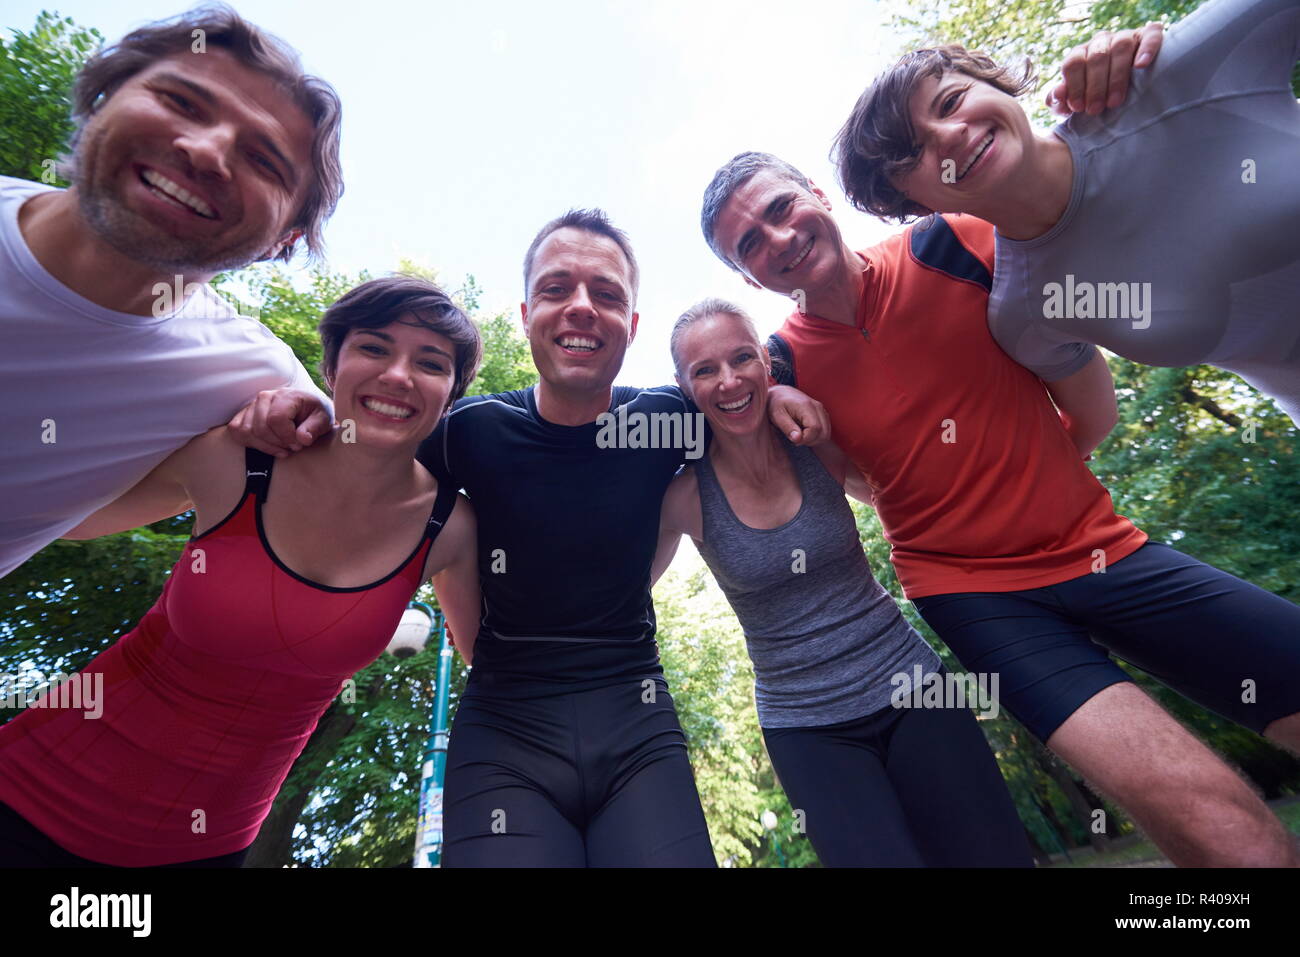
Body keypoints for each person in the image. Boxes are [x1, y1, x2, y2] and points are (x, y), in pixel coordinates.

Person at [700, 149, 1300, 867]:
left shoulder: (954, 242)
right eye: (750, 245)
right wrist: (773, 395)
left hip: (1108, 547)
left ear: (817, 194)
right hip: (981, 599)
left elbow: (1086, 391)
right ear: (746, 275)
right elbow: (854, 477)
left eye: (778, 209)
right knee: (1223, 826)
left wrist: (1032, 478)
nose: (778, 239)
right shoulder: (779, 366)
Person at [229, 209, 831, 867]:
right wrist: (306, 413)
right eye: (555, 289)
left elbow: (739, 396)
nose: (581, 307)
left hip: (637, 720)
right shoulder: (467, 431)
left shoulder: (666, 419)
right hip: (505, 733)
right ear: (525, 314)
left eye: (606, 293)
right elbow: (364, 460)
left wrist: (777, 399)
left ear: (630, 326)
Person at [0, 276, 481, 867]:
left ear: (452, 392)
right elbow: (67, 517)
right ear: (332, 367)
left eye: (430, 363)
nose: (399, 375)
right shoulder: (239, 455)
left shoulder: (449, 529)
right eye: (374, 348)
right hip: (27, 795)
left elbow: (493, 660)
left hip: (206, 848)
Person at [654, 298, 1034, 866]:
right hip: (805, 727)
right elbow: (619, 593)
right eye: (704, 370)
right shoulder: (684, 495)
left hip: (913, 688)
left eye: (741, 359)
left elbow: (910, 492)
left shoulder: (816, 438)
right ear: (684, 387)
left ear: (766, 363)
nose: (728, 380)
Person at [0, 4, 344, 581]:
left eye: (264, 160)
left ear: (282, 239)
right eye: (181, 102)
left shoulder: (252, 376)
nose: (207, 150)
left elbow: (353, 462)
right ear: (102, 99)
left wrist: (314, 417)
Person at [833, 0, 1300, 424]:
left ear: (993, 83)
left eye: (951, 101)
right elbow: (1081, 427)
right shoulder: (1027, 312)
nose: (949, 135)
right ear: (916, 205)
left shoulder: (1170, 74)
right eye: (912, 154)